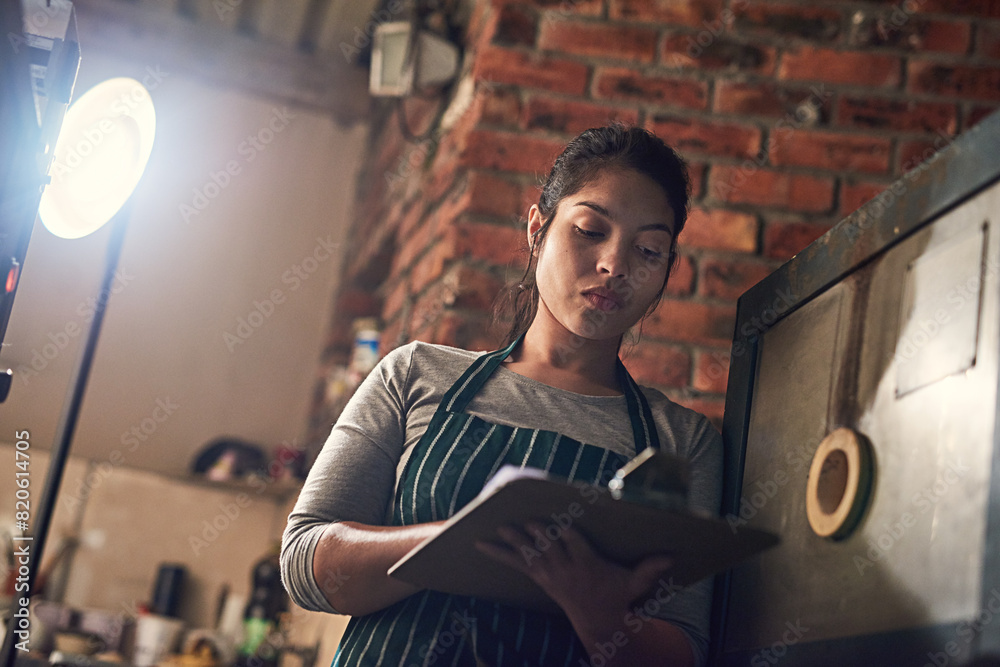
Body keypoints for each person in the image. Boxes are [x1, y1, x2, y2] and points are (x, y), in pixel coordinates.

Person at [280, 124, 723, 666]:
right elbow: (306, 563)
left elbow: (688, 654)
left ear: (667, 269)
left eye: (649, 249)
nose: (615, 265)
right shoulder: (414, 375)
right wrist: (460, 541)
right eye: (589, 230)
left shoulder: (682, 442)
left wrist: (596, 607)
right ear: (538, 229)